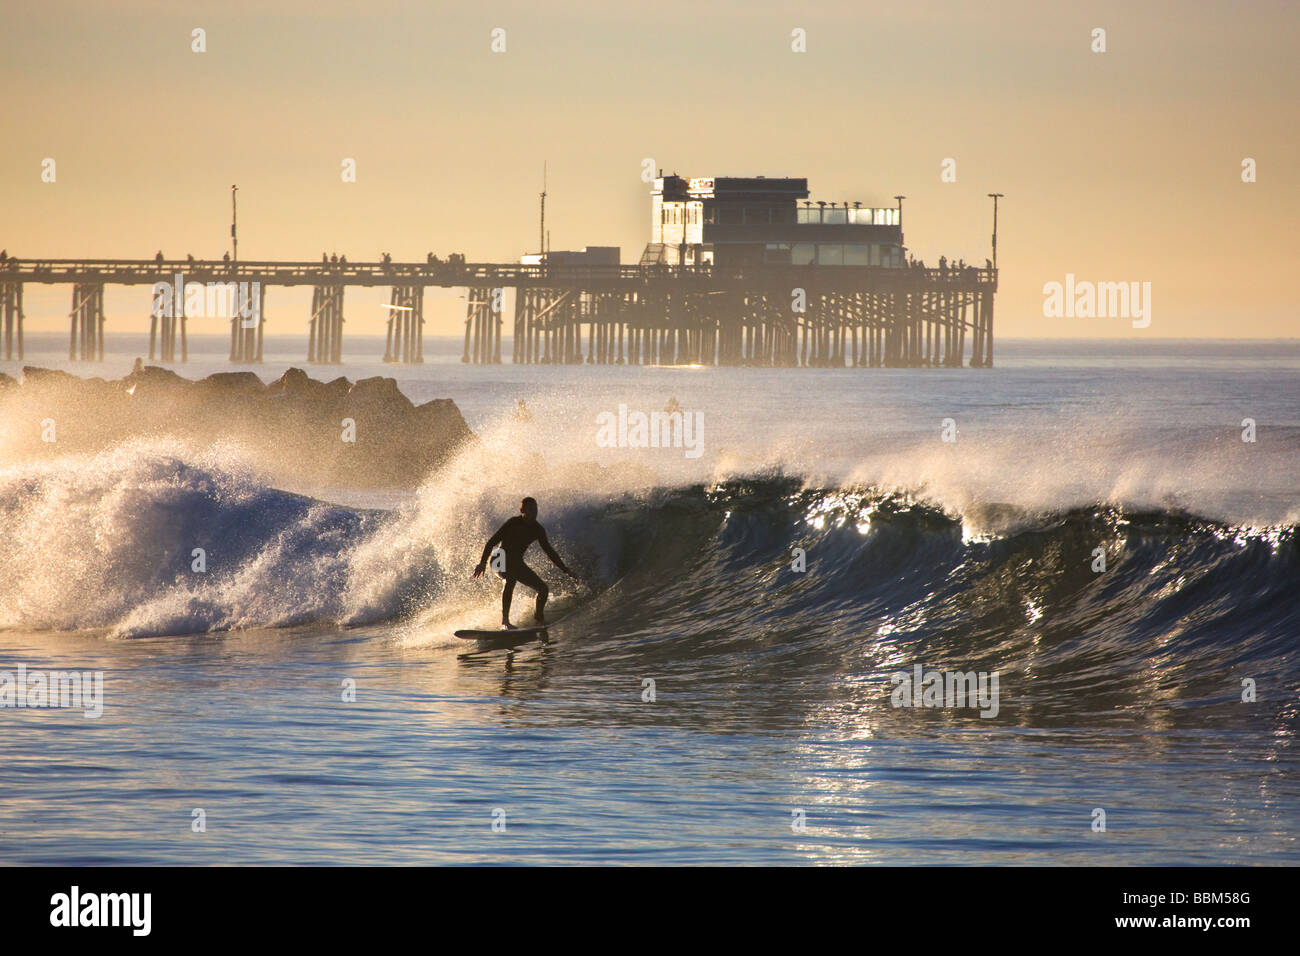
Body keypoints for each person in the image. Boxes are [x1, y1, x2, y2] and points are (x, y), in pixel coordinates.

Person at [473, 497, 577, 628]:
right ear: (522, 510)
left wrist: (566, 570)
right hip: (498, 557)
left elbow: (549, 551)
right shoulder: (513, 523)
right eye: (530, 509)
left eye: (535, 509)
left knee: (543, 589)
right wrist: (482, 563)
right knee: (510, 579)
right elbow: (492, 542)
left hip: (516, 561)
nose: (534, 512)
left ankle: (538, 619)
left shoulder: (538, 529)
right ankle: (505, 621)